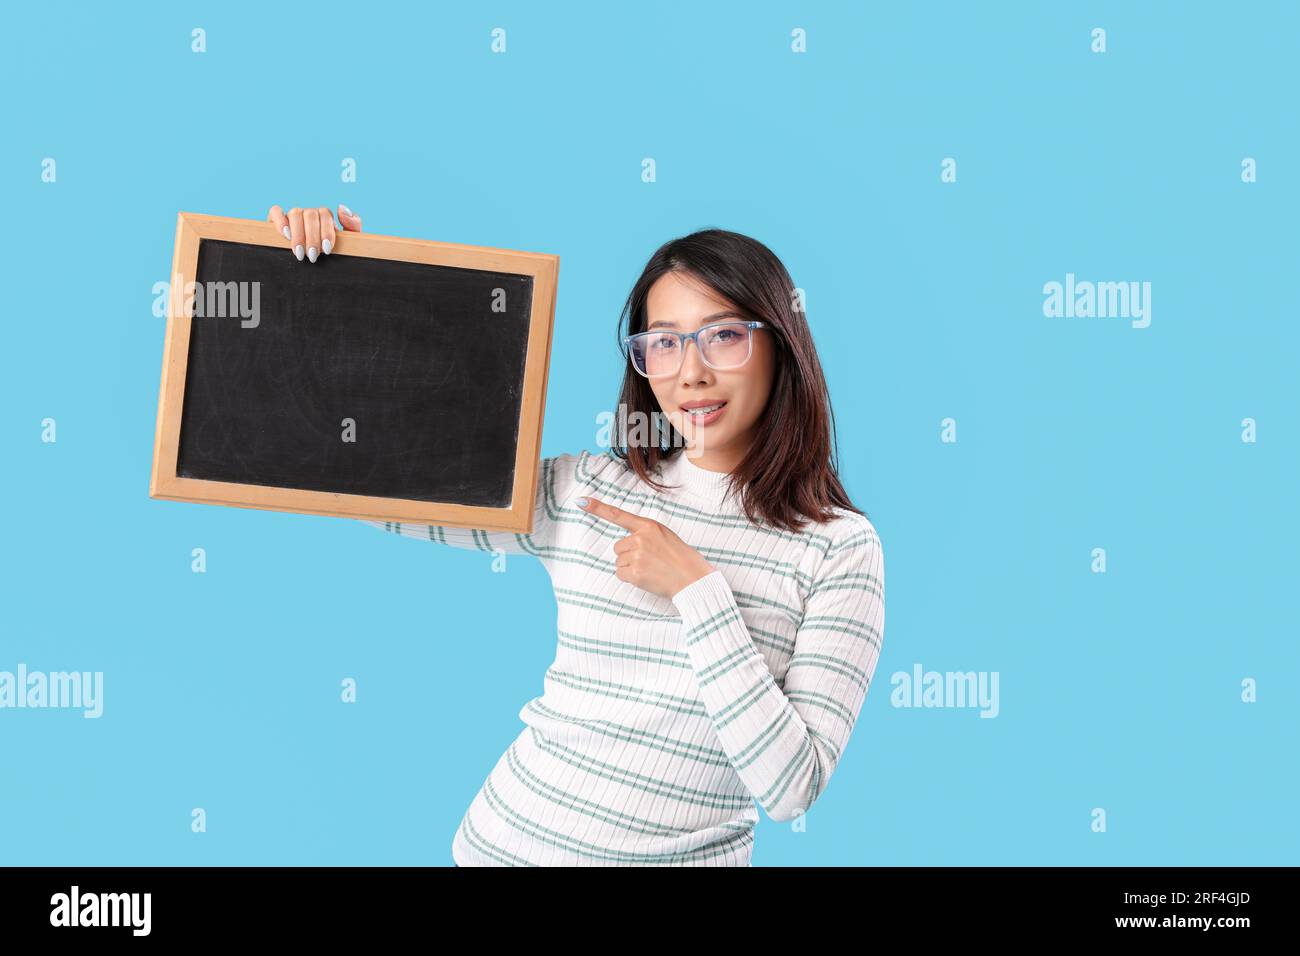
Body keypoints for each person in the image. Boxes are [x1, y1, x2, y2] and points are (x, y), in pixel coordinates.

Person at [267, 204, 886, 866]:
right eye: (665, 342)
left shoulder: (840, 548)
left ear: (781, 342)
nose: (691, 372)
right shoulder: (586, 491)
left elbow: (791, 788)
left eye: (723, 335)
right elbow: (374, 484)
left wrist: (700, 592)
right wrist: (350, 287)